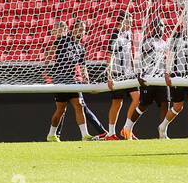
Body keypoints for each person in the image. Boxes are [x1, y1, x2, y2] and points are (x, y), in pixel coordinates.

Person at [44, 19, 103, 141]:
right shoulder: (64, 40)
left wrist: (87, 80)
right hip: (60, 79)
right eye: (79, 29)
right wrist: (48, 58)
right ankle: (51, 134)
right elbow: (49, 54)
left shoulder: (80, 47)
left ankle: (85, 135)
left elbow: (82, 66)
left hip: (73, 81)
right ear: (73, 29)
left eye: (84, 30)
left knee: (79, 105)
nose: (82, 32)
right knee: (61, 109)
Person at [122, 18, 170, 140]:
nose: (161, 28)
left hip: (160, 79)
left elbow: (166, 61)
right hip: (149, 78)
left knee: (165, 104)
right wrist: (139, 74)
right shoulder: (149, 42)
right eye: (158, 25)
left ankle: (162, 132)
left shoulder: (164, 44)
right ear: (153, 28)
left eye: (162, 26)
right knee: (143, 105)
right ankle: (127, 127)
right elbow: (138, 57)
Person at [103, 10, 137, 140]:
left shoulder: (129, 34)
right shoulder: (115, 35)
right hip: (118, 73)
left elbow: (130, 54)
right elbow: (109, 56)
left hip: (129, 74)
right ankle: (111, 133)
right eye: (129, 21)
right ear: (122, 21)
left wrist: (134, 69)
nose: (131, 24)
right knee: (117, 103)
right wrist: (109, 76)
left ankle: (127, 128)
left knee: (137, 98)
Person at [160, 23, 188, 139]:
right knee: (178, 106)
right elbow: (170, 55)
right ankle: (163, 126)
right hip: (177, 76)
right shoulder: (176, 38)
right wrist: (167, 73)